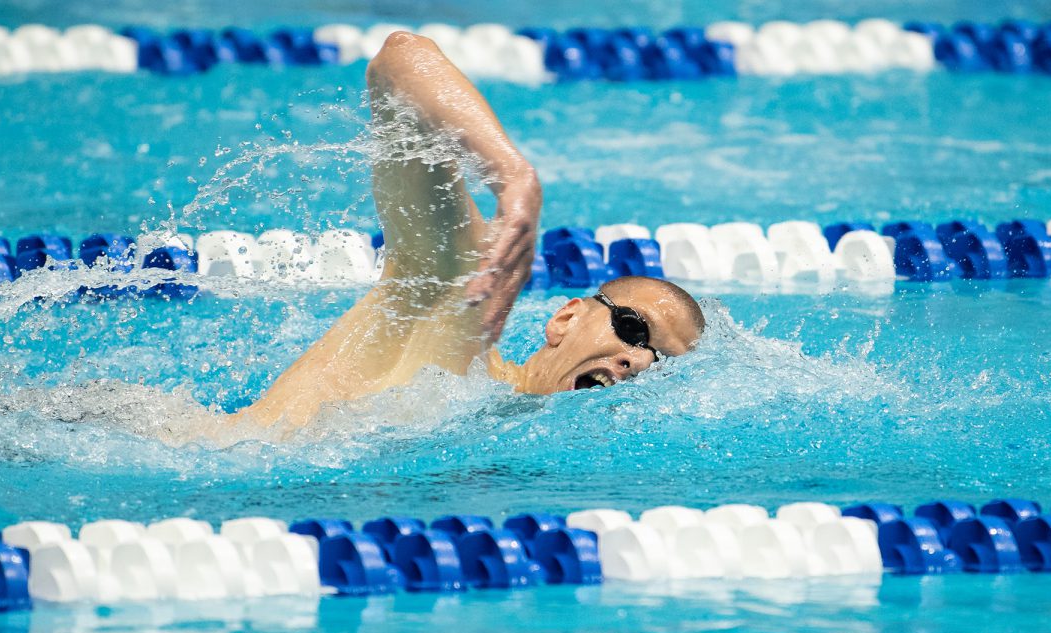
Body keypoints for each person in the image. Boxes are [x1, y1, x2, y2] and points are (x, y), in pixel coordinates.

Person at [235, 32, 705, 432]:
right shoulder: (451, 322)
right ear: (565, 319)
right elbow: (401, 59)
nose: (639, 362)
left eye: (661, 363)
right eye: (632, 328)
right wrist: (515, 178)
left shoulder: (505, 431)